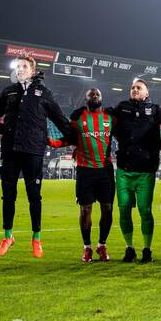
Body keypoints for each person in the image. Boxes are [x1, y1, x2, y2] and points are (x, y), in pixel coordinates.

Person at [0, 57, 73, 258]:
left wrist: (76, 139)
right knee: (8, 194)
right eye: (18, 66)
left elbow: (61, 120)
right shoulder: (9, 91)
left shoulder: (43, 93)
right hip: (10, 150)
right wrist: (4, 129)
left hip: (34, 150)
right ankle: (7, 236)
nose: (20, 69)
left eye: (24, 66)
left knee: (34, 195)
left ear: (33, 70)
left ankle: (36, 238)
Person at [109, 78, 161, 262]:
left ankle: (147, 248)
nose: (135, 90)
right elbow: (107, 120)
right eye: (133, 88)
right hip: (124, 170)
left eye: (139, 88)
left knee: (145, 210)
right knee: (123, 210)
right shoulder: (122, 107)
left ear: (147, 93)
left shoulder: (154, 109)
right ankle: (129, 247)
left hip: (146, 171)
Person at [54, 87, 116, 263]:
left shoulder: (110, 118)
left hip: (105, 170)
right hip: (85, 170)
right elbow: (69, 138)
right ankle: (87, 247)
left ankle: (102, 245)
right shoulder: (78, 119)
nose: (95, 96)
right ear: (86, 99)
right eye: (91, 95)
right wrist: (53, 142)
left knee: (108, 208)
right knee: (85, 209)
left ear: (102, 97)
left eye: (97, 94)